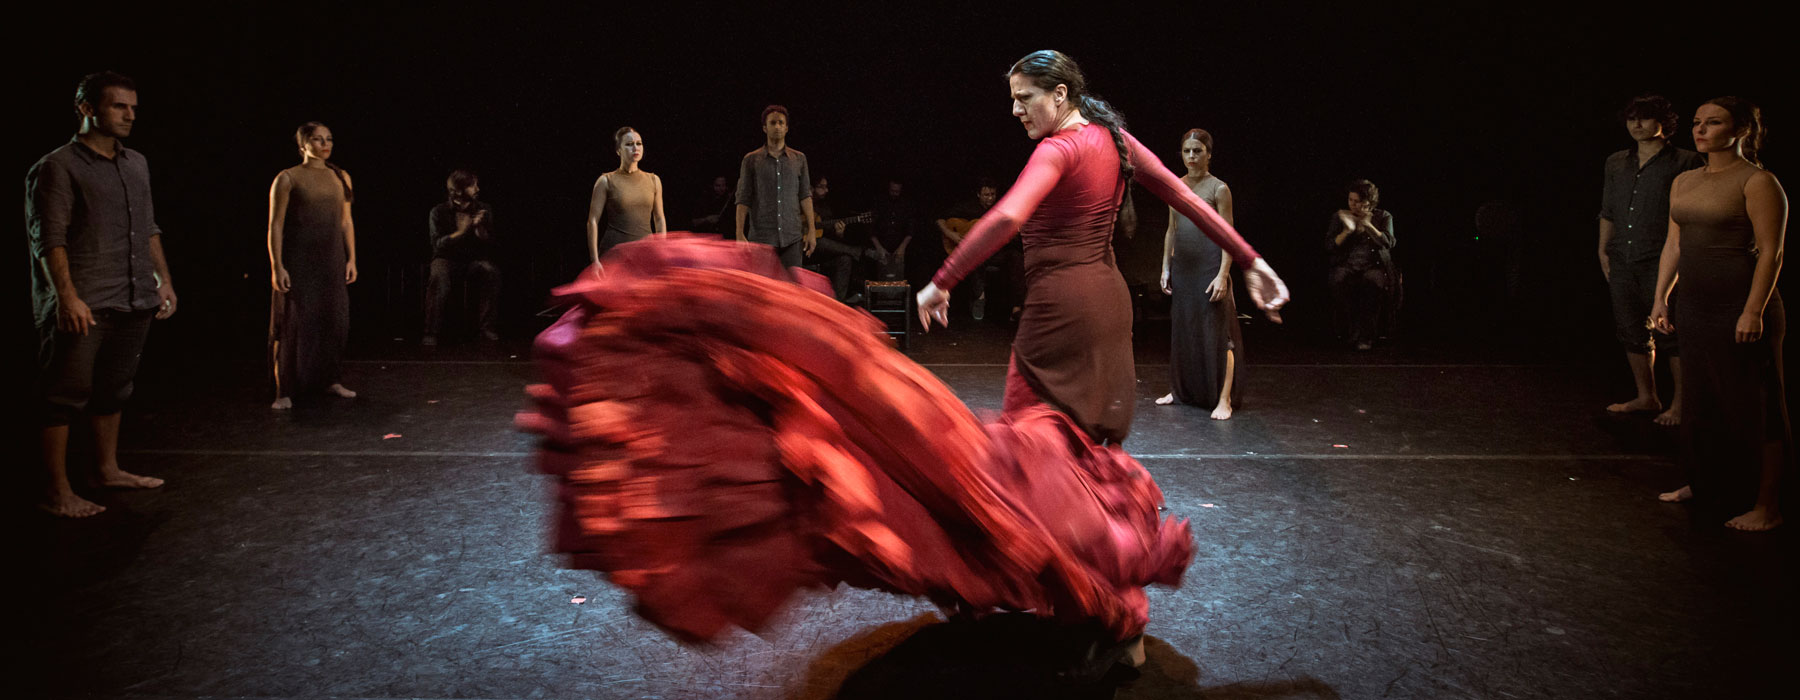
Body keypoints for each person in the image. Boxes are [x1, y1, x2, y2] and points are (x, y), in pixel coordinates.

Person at [919, 51, 1290, 447]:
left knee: (1026, 442)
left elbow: (1008, 218)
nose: (1015, 110)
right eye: (1013, 99)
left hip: (1060, 308)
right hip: (1110, 306)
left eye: (1024, 98)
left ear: (1060, 94)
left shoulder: (1057, 150)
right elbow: (1189, 200)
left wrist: (943, 279)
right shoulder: (1115, 140)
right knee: (1080, 443)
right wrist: (1253, 260)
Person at [27, 71, 175, 517]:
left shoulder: (137, 163)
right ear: (88, 109)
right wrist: (66, 297)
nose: (129, 115)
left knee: (114, 390)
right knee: (63, 396)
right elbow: (47, 238)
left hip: (134, 297)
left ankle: (106, 470)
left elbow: (148, 228)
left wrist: (163, 280)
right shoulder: (58, 165)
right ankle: (57, 491)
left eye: (133, 107)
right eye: (118, 106)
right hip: (86, 300)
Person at [1650, 97, 1788, 532]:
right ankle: (1703, 483)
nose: (1701, 129)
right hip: (1693, 306)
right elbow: (1674, 245)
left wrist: (1753, 310)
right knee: (1700, 402)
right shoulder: (1685, 180)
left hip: (1740, 306)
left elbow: (1773, 251)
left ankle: (1768, 506)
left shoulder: (1757, 181)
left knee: (1758, 404)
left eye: (1713, 122)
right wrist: (1660, 299)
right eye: (1697, 122)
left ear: (1741, 129)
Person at [1600, 95, 1706, 425]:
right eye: (1632, 118)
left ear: (1663, 123)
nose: (1637, 125)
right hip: (1623, 256)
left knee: (1670, 331)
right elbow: (1608, 210)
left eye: (1644, 118)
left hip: (1662, 259)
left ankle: (1680, 404)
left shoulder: (1685, 161)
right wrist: (1603, 249)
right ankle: (1647, 396)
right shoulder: (1616, 161)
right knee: (1630, 328)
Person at [267, 121, 358, 410]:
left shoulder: (340, 176)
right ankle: (283, 391)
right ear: (303, 144)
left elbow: (346, 221)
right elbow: (276, 225)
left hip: (331, 259)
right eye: (318, 139)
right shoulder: (288, 178)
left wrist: (352, 257)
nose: (325, 144)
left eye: (329, 139)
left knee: (334, 322)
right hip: (299, 262)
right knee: (293, 324)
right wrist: (276, 265)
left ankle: (330, 380)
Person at [1156, 129, 1243, 419]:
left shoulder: (1218, 189)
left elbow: (1228, 235)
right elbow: (1172, 228)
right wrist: (1166, 266)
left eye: (1197, 151)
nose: (1191, 156)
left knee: (1218, 334)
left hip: (1209, 266)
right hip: (1184, 267)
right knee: (1184, 329)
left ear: (1208, 154)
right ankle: (1181, 390)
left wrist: (1223, 274)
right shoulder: (1175, 185)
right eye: (1187, 151)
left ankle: (1224, 399)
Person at [424, 169, 501, 345]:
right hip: (446, 259)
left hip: (472, 260)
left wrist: (478, 228)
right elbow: (437, 244)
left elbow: (491, 244)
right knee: (438, 275)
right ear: (458, 190)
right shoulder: (438, 212)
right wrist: (460, 232)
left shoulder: (483, 209)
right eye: (472, 186)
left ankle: (486, 328)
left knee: (491, 271)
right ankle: (431, 331)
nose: (477, 189)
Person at [735, 106, 818, 267]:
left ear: (787, 128)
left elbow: (805, 195)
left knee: (792, 288)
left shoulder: (799, 159)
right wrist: (739, 232)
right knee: (764, 288)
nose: (777, 127)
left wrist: (811, 230)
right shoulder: (751, 160)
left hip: (791, 236)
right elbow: (743, 197)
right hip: (762, 237)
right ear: (765, 128)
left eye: (781, 123)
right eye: (773, 123)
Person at [1326, 179, 1396, 350]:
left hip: (1374, 265)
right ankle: (1351, 332)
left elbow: (1388, 242)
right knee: (1338, 281)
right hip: (1346, 264)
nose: (1353, 205)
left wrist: (1368, 226)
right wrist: (1347, 230)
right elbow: (1329, 246)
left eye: (1358, 201)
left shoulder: (1383, 216)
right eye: (1351, 200)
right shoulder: (1340, 216)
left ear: (1369, 203)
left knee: (1373, 283)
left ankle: (1366, 337)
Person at [587, 127, 666, 267]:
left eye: (639, 143)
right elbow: (592, 221)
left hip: (645, 254)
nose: (635, 147)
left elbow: (659, 218)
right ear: (619, 150)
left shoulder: (653, 180)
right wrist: (595, 260)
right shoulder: (606, 181)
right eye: (629, 144)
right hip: (614, 255)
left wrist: (662, 250)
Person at [937, 179, 1014, 320]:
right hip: (973, 253)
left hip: (993, 252)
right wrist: (951, 234)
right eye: (986, 195)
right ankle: (980, 297)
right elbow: (940, 219)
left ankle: (1017, 307)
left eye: (992, 194)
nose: (990, 198)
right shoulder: (968, 208)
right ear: (978, 195)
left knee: (1014, 257)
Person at [805, 176, 875, 303]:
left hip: (822, 253)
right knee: (818, 240)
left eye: (826, 186)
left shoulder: (825, 208)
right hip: (805, 251)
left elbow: (830, 237)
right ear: (811, 188)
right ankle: (858, 251)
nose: (826, 190)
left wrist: (839, 234)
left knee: (845, 259)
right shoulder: (800, 205)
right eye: (822, 187)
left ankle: (838, 302)